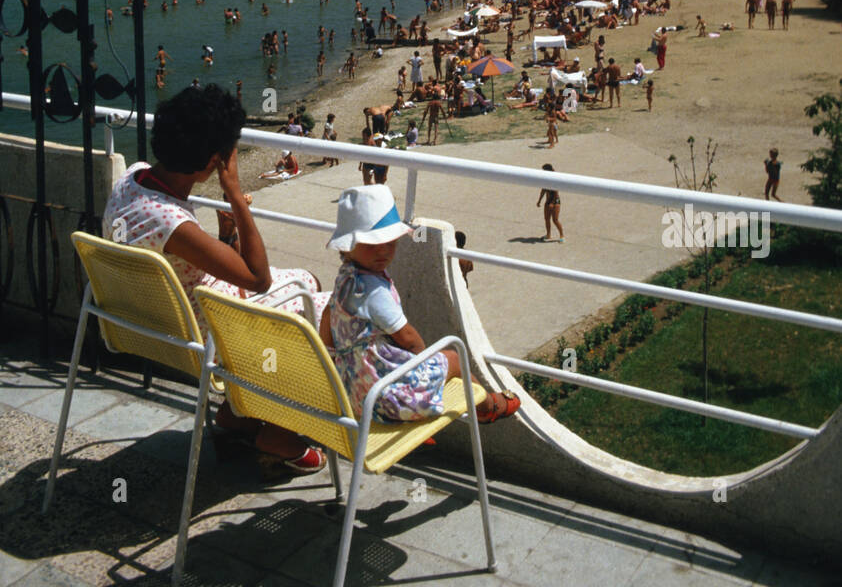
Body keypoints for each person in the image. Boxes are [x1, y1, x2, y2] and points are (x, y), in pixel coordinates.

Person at [102, 85, 327, 472]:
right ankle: (276, 428)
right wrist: (235, 194)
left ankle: (235, 417)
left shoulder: (134, 178)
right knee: (319, 307)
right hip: (207, 333)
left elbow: (183, 263)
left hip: (154, 320)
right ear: (213, 161)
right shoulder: (170, 222)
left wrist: (224, 239)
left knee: (308, 279)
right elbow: (259, 279)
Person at [319, 186, 520, 424]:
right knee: (454, 358)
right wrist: (420, 368)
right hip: (387, 401)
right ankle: (488, 407)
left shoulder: (345, 279)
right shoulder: (373, 292)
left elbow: (326, 318)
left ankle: (421, 411)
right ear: (346, 246)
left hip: (355, 393)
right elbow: (409, 338)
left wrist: (334, 359)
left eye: (390, 243)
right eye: (373, 244)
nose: (383, 251)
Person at [537, 165, 564, 242]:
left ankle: (562, 235)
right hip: (548, 201)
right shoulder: (545, 179)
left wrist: (552, 203)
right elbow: (543, 190)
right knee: (547, 219)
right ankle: (548, 235)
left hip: (555, 202)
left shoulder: (553, 178)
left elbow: (556, 193)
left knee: (555, 220)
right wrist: (539, 200)